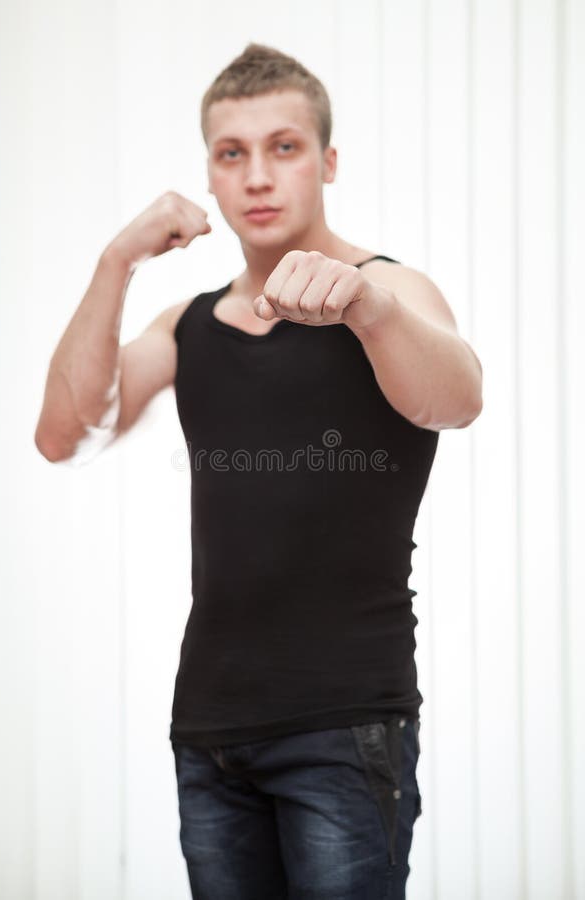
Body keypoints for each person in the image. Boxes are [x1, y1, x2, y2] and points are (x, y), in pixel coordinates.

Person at [34, 42, 482, 900]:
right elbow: (64, 433)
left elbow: (456, 399)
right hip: (210, 731)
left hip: (345, 728)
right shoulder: (187, 325)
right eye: (231, 154)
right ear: (209, 172)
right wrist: (113, 264)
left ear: (328, 161)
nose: (257, 176)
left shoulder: (392, 293)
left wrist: (366, 305)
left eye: (284, 147)